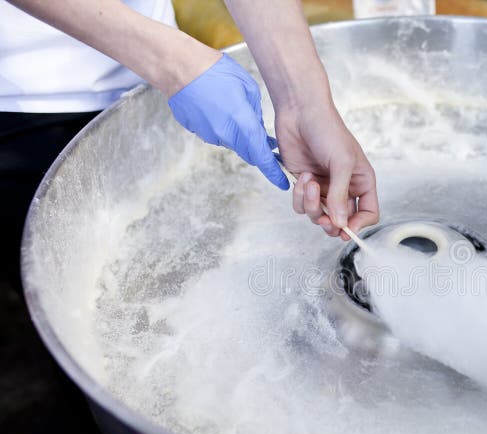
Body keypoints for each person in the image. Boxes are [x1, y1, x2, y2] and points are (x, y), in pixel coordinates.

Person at [1, 0, 379, 288]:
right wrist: (171, 61)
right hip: (26, 97)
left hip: (158, 59)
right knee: (73, 286)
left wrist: (303, 99)